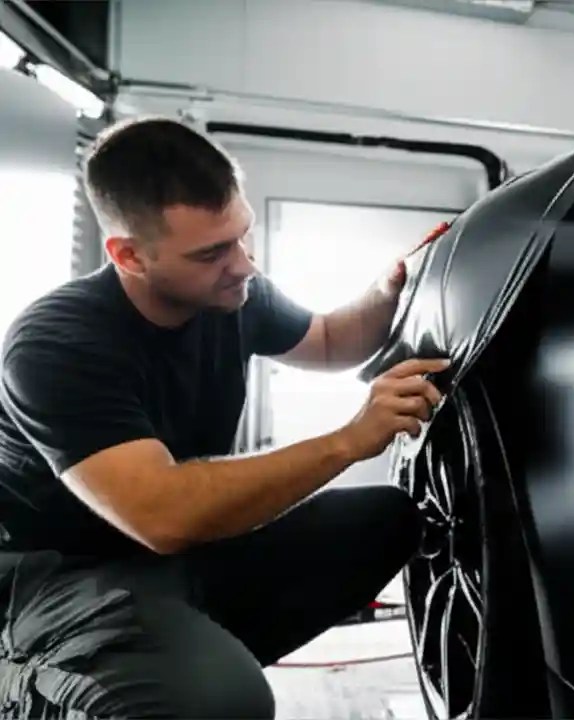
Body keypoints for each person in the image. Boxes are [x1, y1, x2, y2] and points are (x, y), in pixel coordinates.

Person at [0, 116, 451, 718]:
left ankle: (178, 654)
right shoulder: (54, 344)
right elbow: (162, 514)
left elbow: (324, 340)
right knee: (222, 702)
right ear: (129, 255)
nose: (243, 263)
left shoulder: (229, 292)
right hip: (52, 576)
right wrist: (347, 441)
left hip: (163, 555)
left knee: (387, 520)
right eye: (212, 252)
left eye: (243, 236)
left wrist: (391, 285)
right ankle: (55, 681)